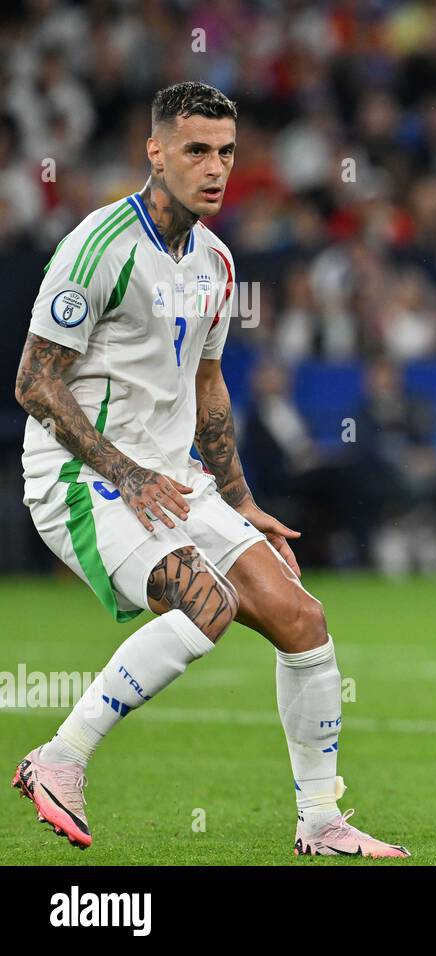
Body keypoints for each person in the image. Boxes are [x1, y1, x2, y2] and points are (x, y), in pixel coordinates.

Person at [11, 81, 407, 857]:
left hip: (170, 477)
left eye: (226, 152)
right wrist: (125, 473)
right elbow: (33, 381)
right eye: (196, 150)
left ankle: (321, 820)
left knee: (303, 620)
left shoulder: (218, 263)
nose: (215, 168)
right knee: (206, 604)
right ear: (155, 152)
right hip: (78, 475)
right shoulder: (100, 245)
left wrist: (240, 499)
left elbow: (207, 386)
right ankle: (61, 757)